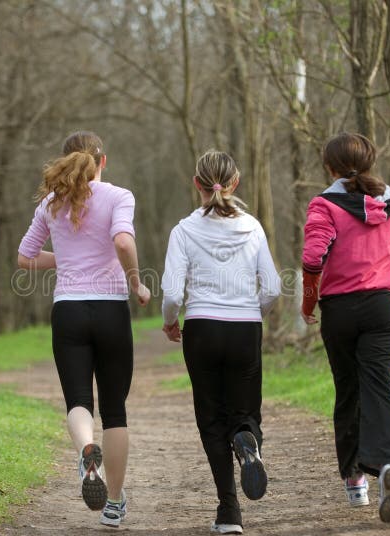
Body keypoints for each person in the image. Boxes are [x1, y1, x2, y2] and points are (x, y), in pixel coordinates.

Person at [17, 131, 150, 528]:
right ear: (102, 161)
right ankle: (114, 503)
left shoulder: (50, 203)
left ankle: (85, 449)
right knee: (115, 410)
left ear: (65, 160)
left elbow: (25, 259)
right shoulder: (118, 196)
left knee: (78, 400)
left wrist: (67, 260)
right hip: (110, 311)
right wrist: (136, 282)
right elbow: (123, 242)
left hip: (69, 312)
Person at [300, 132, 390, 523]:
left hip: (339, 310)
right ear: (370, 162)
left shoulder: (324, 204)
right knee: (380, 387)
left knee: (348, 390)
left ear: (330, 166)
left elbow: (312, 257)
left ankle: (355, 481)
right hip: (383, 310)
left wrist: (308, 303)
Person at [161, 150, 281, 535]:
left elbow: (172, 293)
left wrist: (169, 322)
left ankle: (229, 512)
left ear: (196, 184)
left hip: (202, 329)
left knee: (211, 418)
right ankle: (246, 439)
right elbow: (275, 287)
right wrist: (252, 311)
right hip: (245, 327)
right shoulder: (254, 227)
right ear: (236, 183)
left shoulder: (183, 230)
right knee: (245, 411)